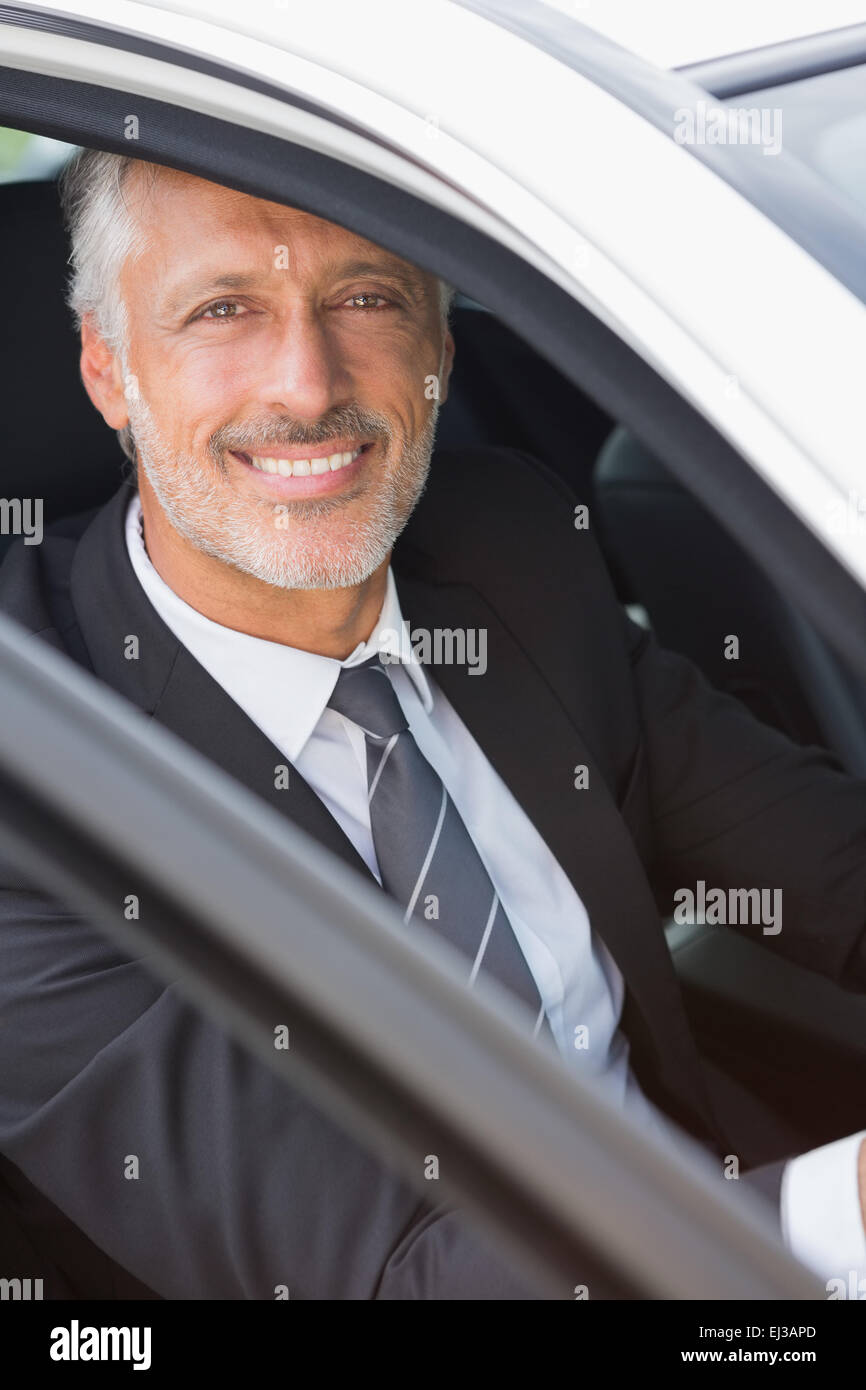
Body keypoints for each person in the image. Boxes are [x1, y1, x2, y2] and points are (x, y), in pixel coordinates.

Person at [0, 149, 864, 1298]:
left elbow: (833, 866)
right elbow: (385, 1280)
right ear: (109, 372)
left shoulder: (510, 549)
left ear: (439, 355)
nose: (307, 386)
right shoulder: (34, 766)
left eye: (365, 298)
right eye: (222, 310)